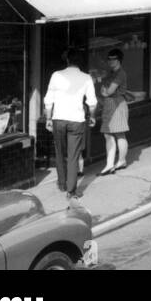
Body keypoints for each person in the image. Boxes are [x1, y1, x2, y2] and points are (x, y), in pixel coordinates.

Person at [44, 47, 97, 201]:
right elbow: (92, 102)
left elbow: (49, 100)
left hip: (58, 119)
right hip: (77, 120)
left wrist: (48, 118)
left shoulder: (56, 75)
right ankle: (71, 190)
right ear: (80, 62)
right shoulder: (86, 77)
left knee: (59, 152)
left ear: (67, 60)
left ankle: (61, 183)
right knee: (73, 156)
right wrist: (92, 117)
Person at [97, 48, 130, 175]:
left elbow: (108, 91)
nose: (110, 61)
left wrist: (106, 92)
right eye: (109, 59)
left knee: (119, 134)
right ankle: (111, 164)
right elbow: (103, 90)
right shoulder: (111, 73)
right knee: (108, 134)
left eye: (113, 59)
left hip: (117, 104)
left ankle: (121, 161)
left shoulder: (120, 74)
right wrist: (106, 92)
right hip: (110, 104)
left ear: (119, 60)